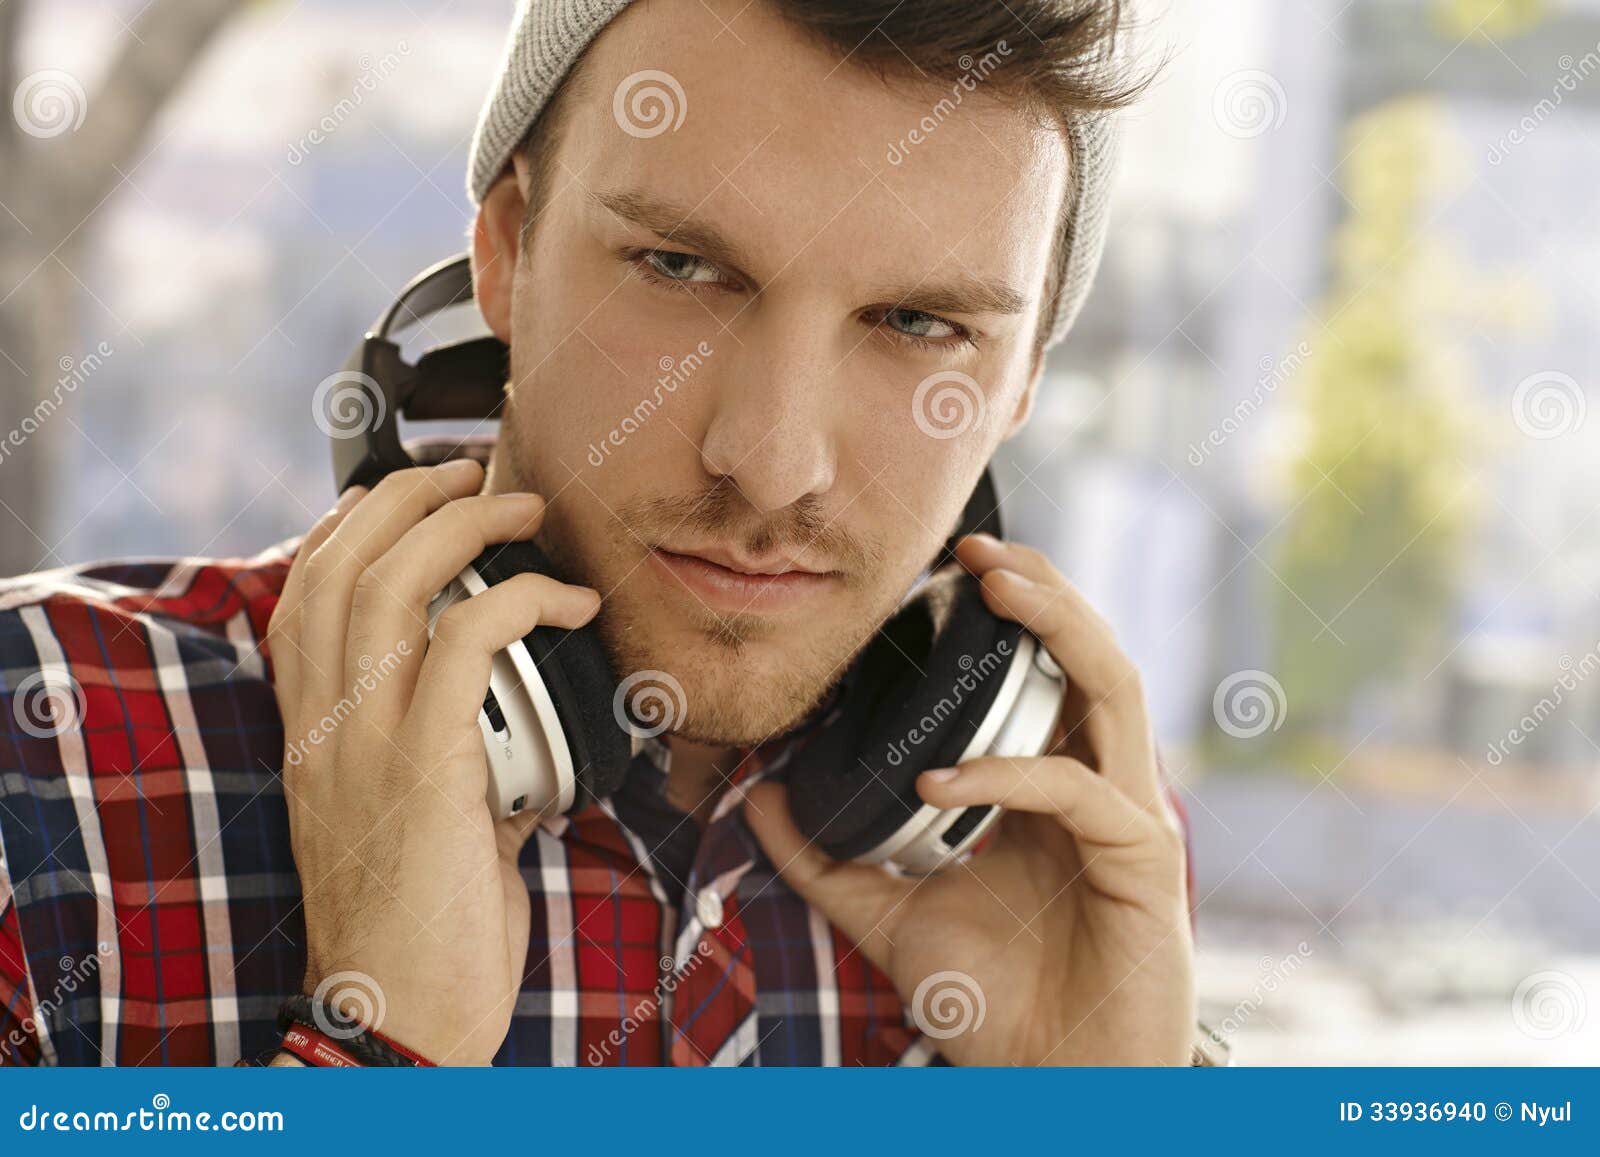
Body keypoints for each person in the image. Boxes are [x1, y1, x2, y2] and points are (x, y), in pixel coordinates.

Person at [0, 0, 1197, 1067]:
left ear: (1024, 376)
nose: (772, 462)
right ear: (507, 247)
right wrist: (377, 1047)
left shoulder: (1059, 846)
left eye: (921, 324)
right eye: (681, 265)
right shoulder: (37, 759)